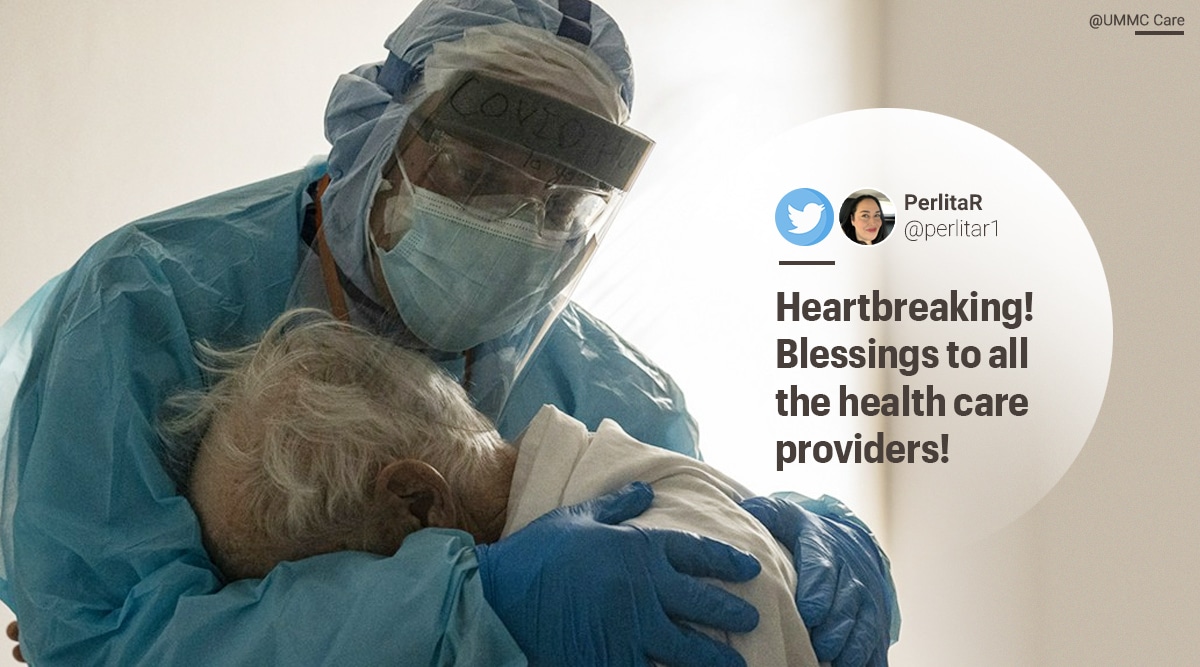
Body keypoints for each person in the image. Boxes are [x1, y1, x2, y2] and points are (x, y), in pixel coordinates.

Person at [0, 0, 897, 664]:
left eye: (559, 200)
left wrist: (807, 539)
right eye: (474, 168)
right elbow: (103, 640)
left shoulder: (615, 393)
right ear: (375, 133)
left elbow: (699, 562)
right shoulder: (146, 301)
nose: (515, 219)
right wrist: (467, 606)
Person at [167, 308, 821, 666]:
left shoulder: (670, 593)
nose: (358, 624)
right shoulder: (620, 478)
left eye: (334, 588)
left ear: (416, 504)